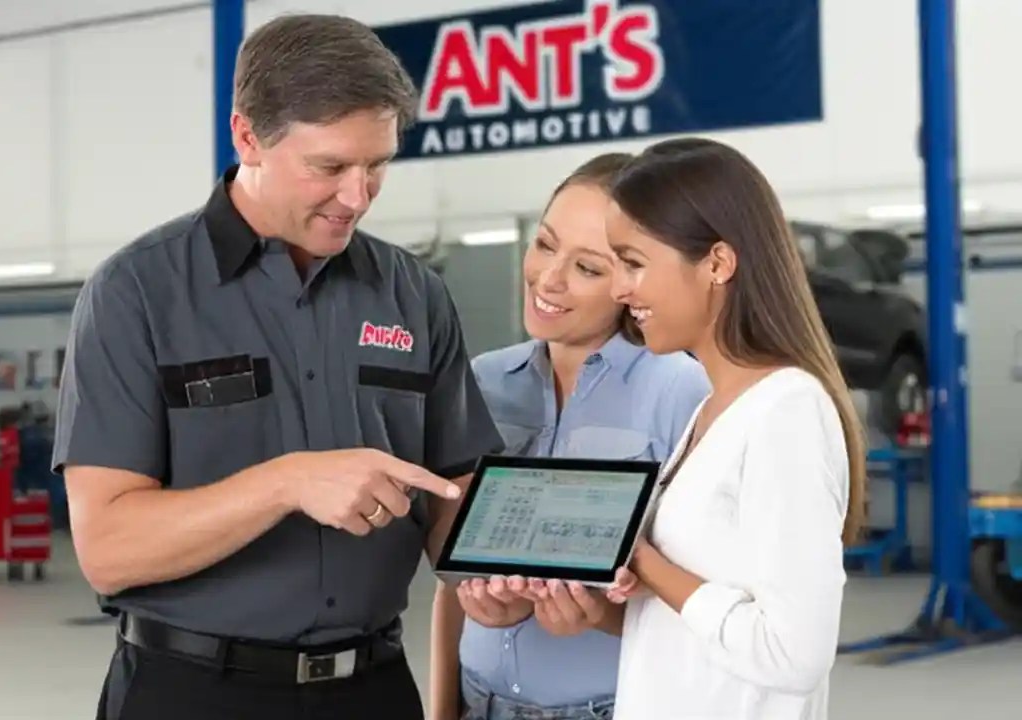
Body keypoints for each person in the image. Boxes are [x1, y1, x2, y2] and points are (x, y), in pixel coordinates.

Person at [51, 13, 504, 720]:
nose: (358, 197)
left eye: (377, 165)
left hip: (373, 689)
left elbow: (454, 494)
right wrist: (287, 482)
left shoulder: (414, 293)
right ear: (246, 137)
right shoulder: (136, 293)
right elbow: (108, 549)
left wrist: (495, 575)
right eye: (329, 167)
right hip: (192, 691)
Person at [523, 137, 866, 720]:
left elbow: (792, 656)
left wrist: (645, 559)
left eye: (633, 263)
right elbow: (694, 624)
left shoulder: (787, 413)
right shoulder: (717, 407)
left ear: (717, 263)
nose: (620, 288)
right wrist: (605, 604)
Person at [427, 154, 711, 720]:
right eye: (546, 244)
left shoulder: (683, 393)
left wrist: (601, 618)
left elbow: (704, 605)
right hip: (477, 702)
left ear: (632, 280)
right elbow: (452, 581)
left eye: (588, 268)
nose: (549, 278)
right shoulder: (482, 380)